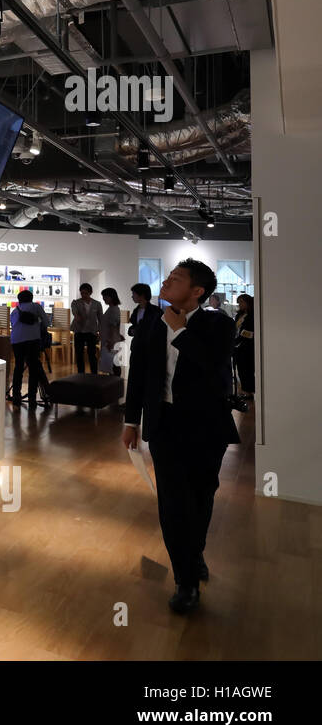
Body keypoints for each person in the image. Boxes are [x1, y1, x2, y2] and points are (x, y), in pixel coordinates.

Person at [122, 258, 238, 615]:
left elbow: (213, 365)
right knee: (172, 504)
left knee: (202, 496)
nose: (167, 281)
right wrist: (130, 420)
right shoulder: (151, 322)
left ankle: (195, 551)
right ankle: (185, 580)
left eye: (177, 279)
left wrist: (181, 331)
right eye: (168, 276)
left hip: (207, 427)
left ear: (197, 291)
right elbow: (139, 371)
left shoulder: (219, 324)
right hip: (165, 425)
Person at [8, 290, 50, 408]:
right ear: (31, 298)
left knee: (18, 367)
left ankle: (16, 396)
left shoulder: (15, 311)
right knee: (33, 369)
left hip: (16, 341)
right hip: (32, 340)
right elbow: (47, 322)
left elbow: (13, 324)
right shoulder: (36, 307)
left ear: (19, 299)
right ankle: (32, 399)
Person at [70, 283, 103, 374]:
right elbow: (74, 312)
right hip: (79, 331)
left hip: (91, 332)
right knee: (79, 354)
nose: (83, 295)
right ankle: (81, 374)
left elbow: (100, 319)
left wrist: (101, 332)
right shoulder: (76, 303)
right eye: (82, 293)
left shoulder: (97, 304)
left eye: (85, 293)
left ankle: (94, 374)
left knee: (92, 354)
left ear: (90, 292)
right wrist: (77, 316)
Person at [233, 294, 255, 397]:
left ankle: (249, 391)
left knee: (247, 369)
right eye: (239, 302)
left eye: (242, 302)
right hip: (237, 346)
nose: (240, 304)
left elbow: (250, 332)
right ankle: (245, 390)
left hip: (247, 346)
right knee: (240, 369)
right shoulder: (239, 315)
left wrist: (240, 337)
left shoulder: (252, 316)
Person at [99, 287, 123, 375]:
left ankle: (115, 383)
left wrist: (110, 341)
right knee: (112, 363)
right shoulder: (112, 308)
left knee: (113, 364)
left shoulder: (114, 310)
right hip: (110, 339)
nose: (104, 299)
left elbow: (113, 326)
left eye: (105, 296)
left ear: (111, 297)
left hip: (111, 340)